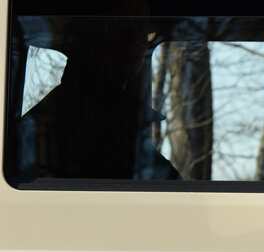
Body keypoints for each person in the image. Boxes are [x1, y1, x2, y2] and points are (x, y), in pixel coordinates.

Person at [11, 5, 180, 181]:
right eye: (121, 28)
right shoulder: (87, 120)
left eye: (146, 30)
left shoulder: (122, 120)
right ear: (92, 35)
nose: (136, 39)